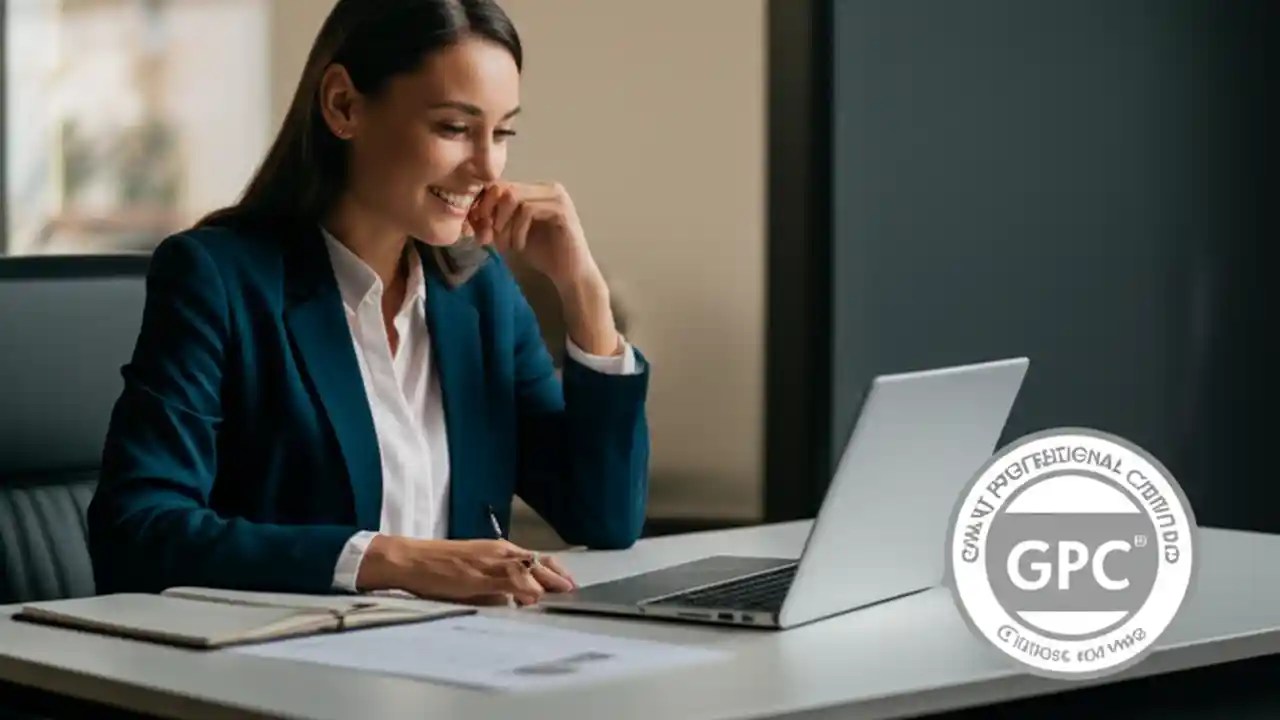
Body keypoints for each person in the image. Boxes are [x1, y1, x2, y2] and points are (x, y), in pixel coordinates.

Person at [86, 0, 650, 608]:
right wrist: (392, 560)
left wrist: (583, 291)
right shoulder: (219, 280)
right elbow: (135, 533)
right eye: (455, 128)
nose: (488, 167)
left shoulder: (479, 294)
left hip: (462, 672)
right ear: (344, 106)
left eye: (503, 131)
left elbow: (604, 516)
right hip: (284, 673)